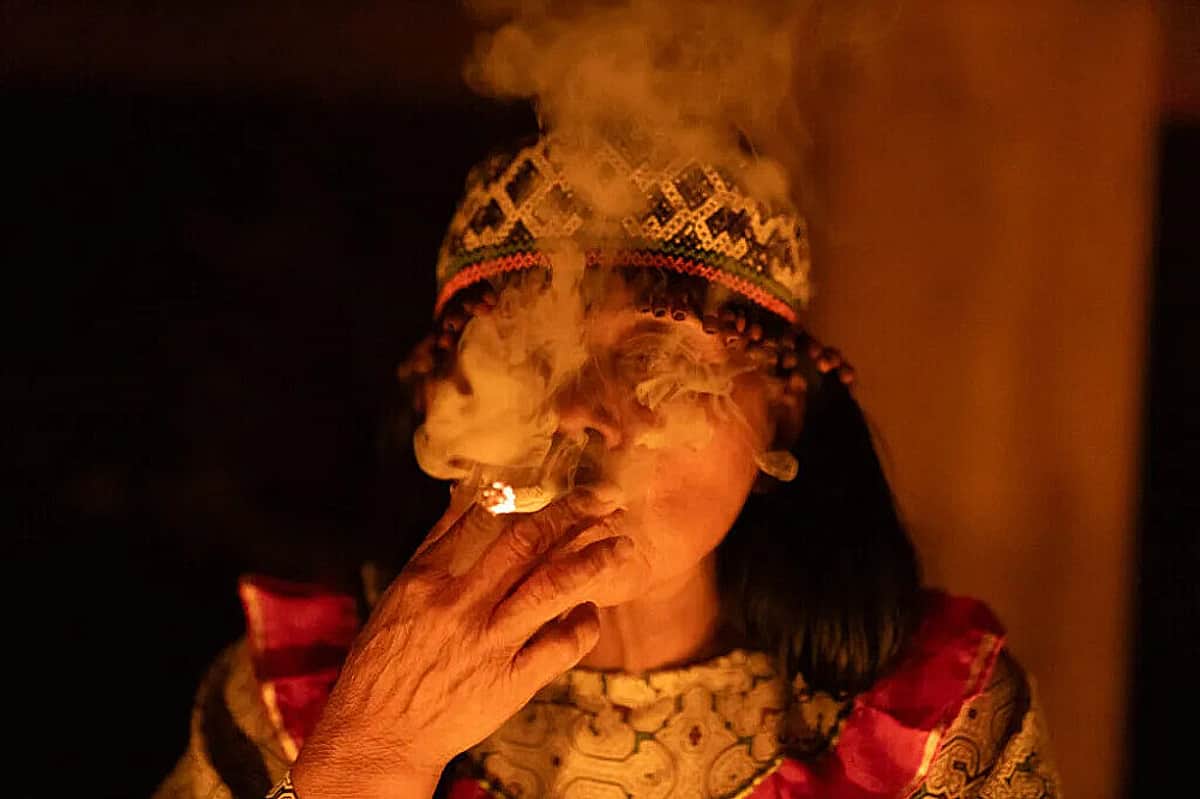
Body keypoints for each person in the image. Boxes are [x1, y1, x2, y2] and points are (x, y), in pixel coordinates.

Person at [156, 134, 1060, 799]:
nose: (577, 410)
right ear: (441, 398)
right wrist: (370, 757)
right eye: (529, 354)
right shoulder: (302, 700)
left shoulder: (932, 730)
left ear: (780, 407)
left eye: (653, 355)